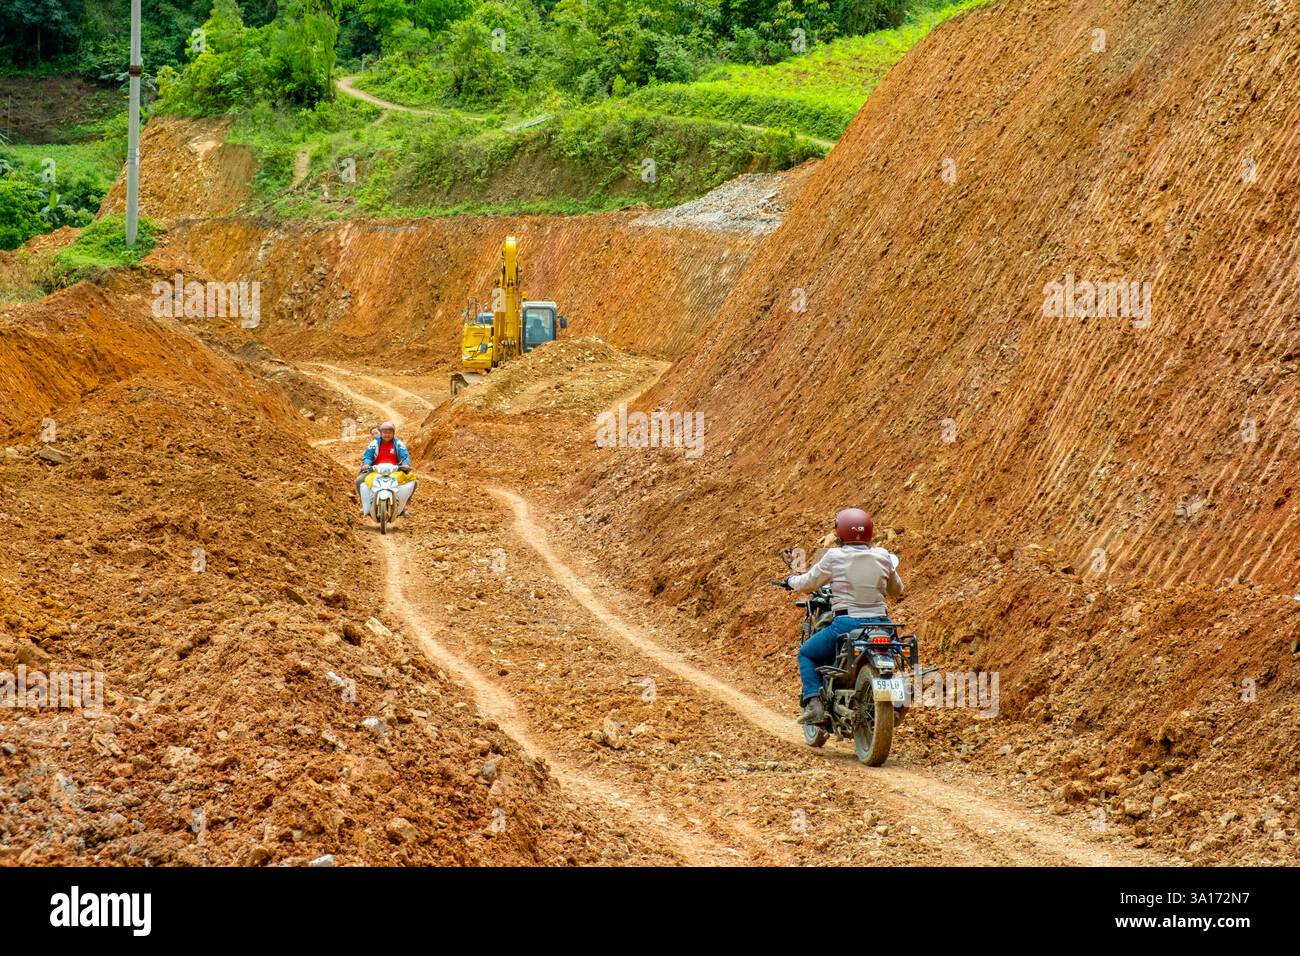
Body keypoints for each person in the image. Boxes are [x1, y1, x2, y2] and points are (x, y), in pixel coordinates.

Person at [778, 508, 903, 725]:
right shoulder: (883, 556)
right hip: (883, 625)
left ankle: (815, 705)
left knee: (806, 653)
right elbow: (896, 590)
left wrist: (790, 581)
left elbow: (809, 583)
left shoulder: (835, 556)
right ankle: (897, 697)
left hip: (847, 624)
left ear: (840, 533)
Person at [356, 421, 414, 516]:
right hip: (375, 470)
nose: (387, 435)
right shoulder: (374, 443)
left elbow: (405, 455)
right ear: (381, 433)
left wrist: (405, 464)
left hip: (395, 470)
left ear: (393, 433)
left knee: (413, 481)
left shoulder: (398, 443)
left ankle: (403, 507)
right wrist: (366, 464)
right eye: (385, 432)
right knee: (359, 481)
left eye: (390, 432)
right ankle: (365, 505)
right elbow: (368, 455)